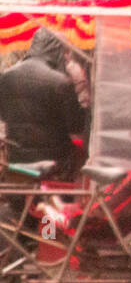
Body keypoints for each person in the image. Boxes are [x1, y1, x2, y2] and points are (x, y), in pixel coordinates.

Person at [0, 28, 87, 180]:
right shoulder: (60, 82)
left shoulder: (7, 76)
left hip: (16, 158)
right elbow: (76, 126)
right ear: (57, 50)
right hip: (54, 160)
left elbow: (3, 114)